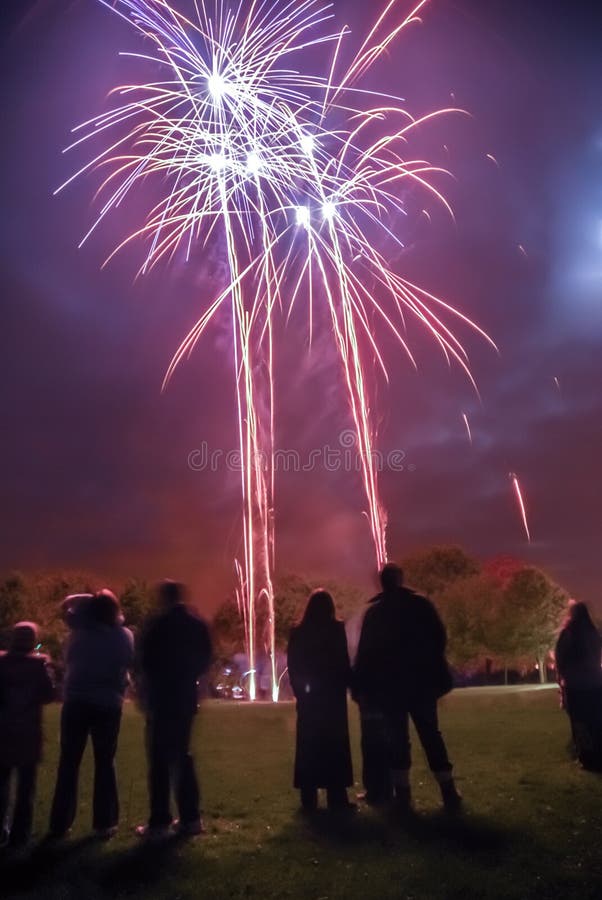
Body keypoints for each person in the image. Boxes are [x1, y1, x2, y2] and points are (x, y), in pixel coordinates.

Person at [352, 563, 461, 813]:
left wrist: (361, 686)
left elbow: (366, 654)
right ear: (401, 580)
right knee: (431, 735)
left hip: (390, 689)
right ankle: (448, 790)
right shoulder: (421, 605)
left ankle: (403, 795)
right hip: (421, 684)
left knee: (398, 740)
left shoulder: (376, 613)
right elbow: (439, 638)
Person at [49, 590, 134, 839]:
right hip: (108, 704)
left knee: (68, 762)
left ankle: (60, 822)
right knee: (105, 762)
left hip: (76, 702)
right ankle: (105, 822)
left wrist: (86, 597)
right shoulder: (125, 637)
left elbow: (65, 604)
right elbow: (126, 665)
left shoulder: (79, 631)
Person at [136, 580, 212, 839]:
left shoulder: (156, 624)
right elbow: (205, 657)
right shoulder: (197, 623)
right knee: (183, 755)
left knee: (159, 759)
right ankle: (191, 818)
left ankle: (160, 820)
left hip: (161, 696)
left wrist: (148, 687)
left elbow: (144, 660)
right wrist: (190, 677)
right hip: (185, 696)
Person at [287, 589, 354, 813]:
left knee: (308, 745)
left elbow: (293, 666)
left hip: (309, 699)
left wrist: (300, 693)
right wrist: (347, 686)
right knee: (335, 746)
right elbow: (342, 663)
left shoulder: (297, 632)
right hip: (332, 698)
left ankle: (309, 797)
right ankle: (337, 796)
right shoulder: (336, 629)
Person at [0, 622, 55, 848]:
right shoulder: (39, 666)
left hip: (3, 730)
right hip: (29, 731)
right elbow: (49, 695)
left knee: (1, 784)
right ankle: (21, 834)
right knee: (26, 786)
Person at [555, 600, 602, 771]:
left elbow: (561, 660)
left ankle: (586, 757)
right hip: (596, 683)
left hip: (576, 685)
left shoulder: (568, 634)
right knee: (595, 721)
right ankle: (598, 754)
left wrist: (561, 680)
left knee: (580, 722)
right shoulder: (594, 633)